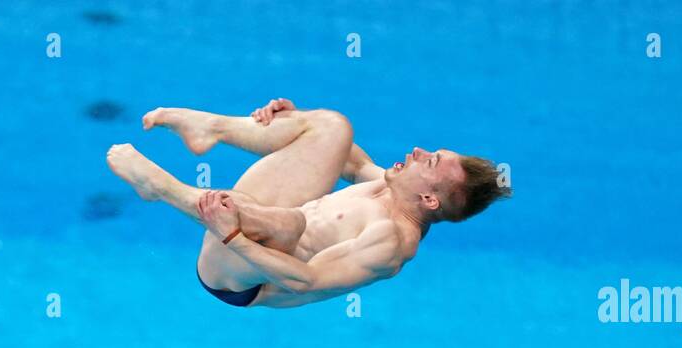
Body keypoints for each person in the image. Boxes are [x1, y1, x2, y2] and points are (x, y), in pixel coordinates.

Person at [106, 97, 510, 308]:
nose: (419, 151)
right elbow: (347, 158)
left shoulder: (390, 242)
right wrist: (292, 122)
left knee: (290, 226)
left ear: (428, 199)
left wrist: (233, 237)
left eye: (431, 161)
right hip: (257, 228)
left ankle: (159, 188)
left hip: (239, 275)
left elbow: (304, 280)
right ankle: (211, 128)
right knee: (334, 127)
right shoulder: (389, 186)